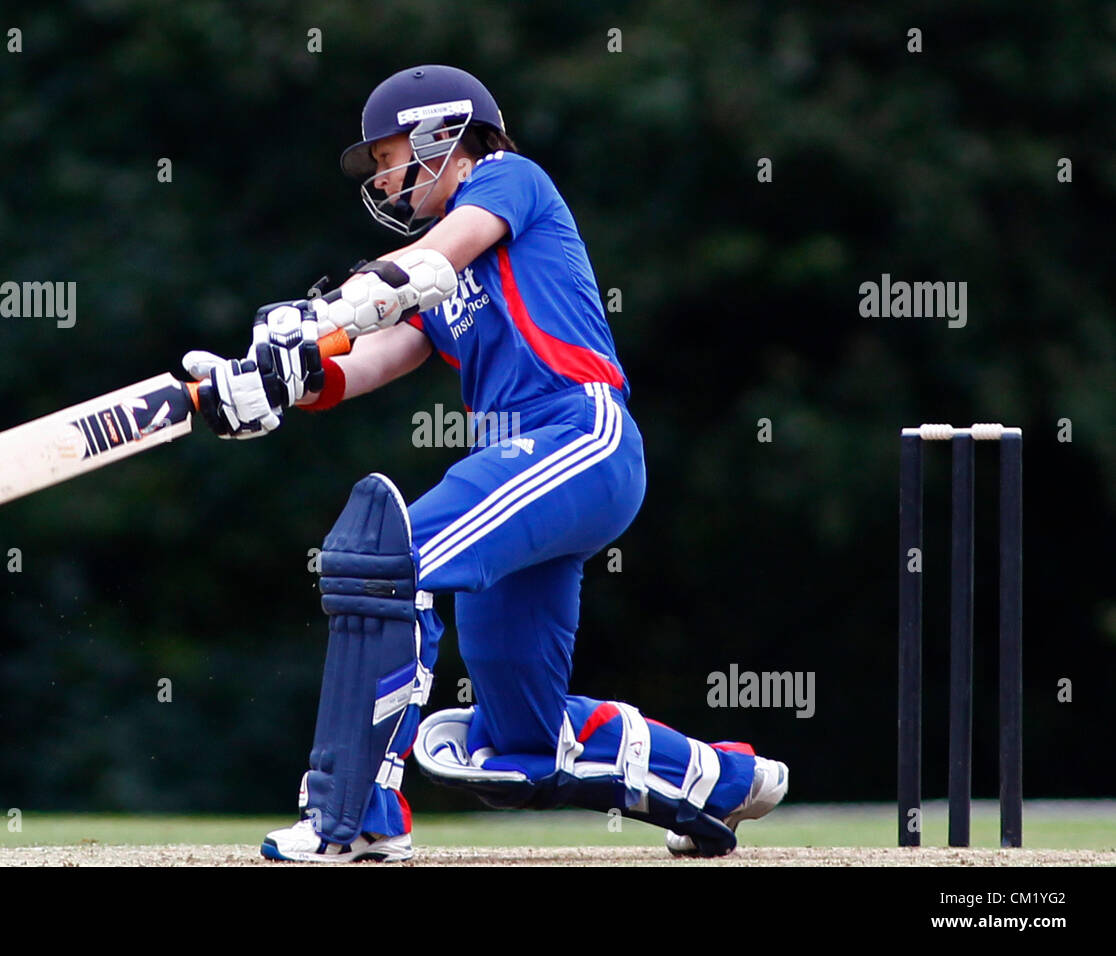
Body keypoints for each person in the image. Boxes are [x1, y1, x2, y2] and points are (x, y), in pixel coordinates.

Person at [183, 65, 788, 862]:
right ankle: (717, 781)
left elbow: (430, 261)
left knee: (389, 565)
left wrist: (323, 312)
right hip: (530, 469)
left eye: (388, 153)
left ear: (442, 135)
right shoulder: (432, 277)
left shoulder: (508, 181)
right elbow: (367, 361)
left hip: (579, 433)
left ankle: (355, 811)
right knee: (512, 745)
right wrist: (279, 382)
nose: (383, 176)